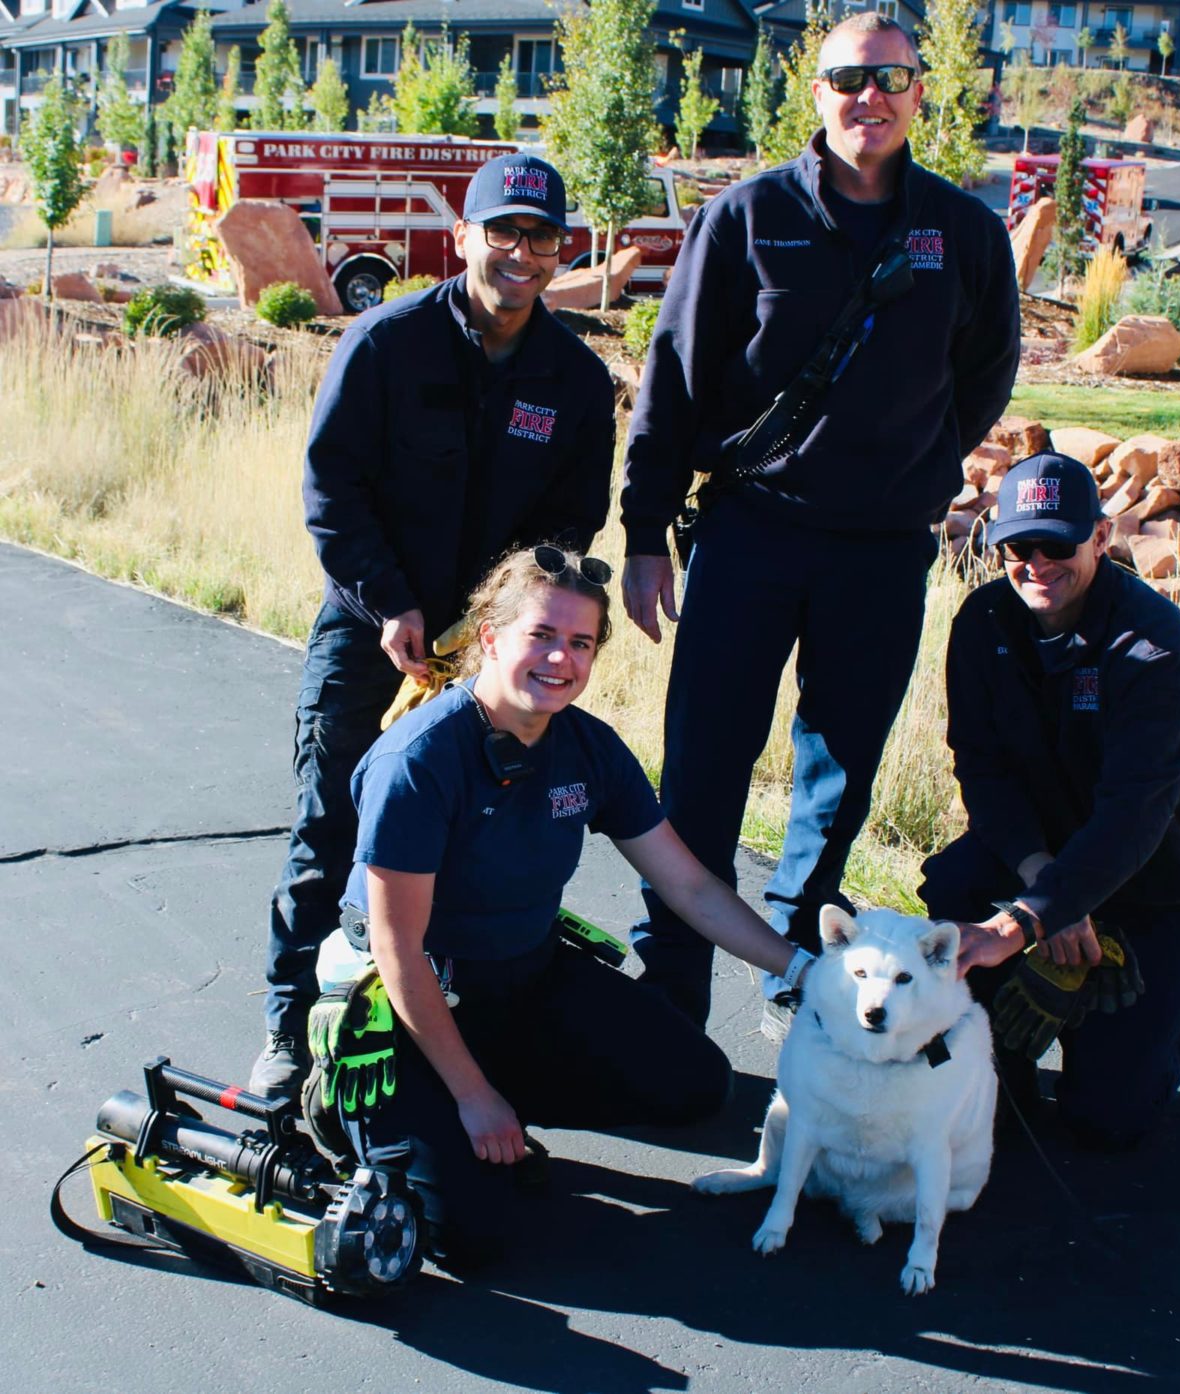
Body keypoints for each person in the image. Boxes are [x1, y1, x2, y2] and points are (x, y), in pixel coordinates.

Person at [620, 13, 1021, 1029]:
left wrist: (920, 465)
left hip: (882, 550)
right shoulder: (747, 217)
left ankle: (799, 976)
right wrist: (642, 534)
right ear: (817, 91)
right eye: (848, 78)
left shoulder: (963, 233)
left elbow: (985, 375)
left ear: (919, 91)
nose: (869, 96)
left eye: (891, 78)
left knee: (838, 781)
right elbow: (673, 378)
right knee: (704, 765)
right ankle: (672, 984)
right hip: (752, 532)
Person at [252, 153, 617, 1097]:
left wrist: (494, 631)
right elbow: (333, 489)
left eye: (542, 236)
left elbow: (569, 529)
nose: (521, 252)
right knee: (332, 825)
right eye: (503, 232)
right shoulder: (386, 343)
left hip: (492, 654)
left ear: (560, 250)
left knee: (465, 839)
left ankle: (442, 1031)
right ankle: (291, 1029)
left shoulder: (577, 381)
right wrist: (390, 601)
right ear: (462, 237)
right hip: (371, 629)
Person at [335, 546, 812, 1263]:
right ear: (491, 638)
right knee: (471, 1234)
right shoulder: (421, 760)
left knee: (695, 1085)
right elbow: (396, 947)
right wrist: (473, 1097)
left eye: (581, 642)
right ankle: (372, 1108)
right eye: (542, 635)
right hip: (414, 999)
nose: (562, 658)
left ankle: (490, 1094)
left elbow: (688, 886)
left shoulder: (588, 748)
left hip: (523, 975)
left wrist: (804, 969)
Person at [920, 452, 1180, 1149]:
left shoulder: (1156, 649)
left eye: (1057, 544)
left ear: (1101, 536)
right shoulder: (982, 622)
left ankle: (1162, 1012)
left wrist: (1019, 924)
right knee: (955, 889)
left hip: (1163, 881)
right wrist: (1045, 893)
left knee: (1107, 1120)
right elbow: (982, 770)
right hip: (1044, 859)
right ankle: (999, 1057)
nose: (1037, 564)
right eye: (1019, 547)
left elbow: (1135, 816)